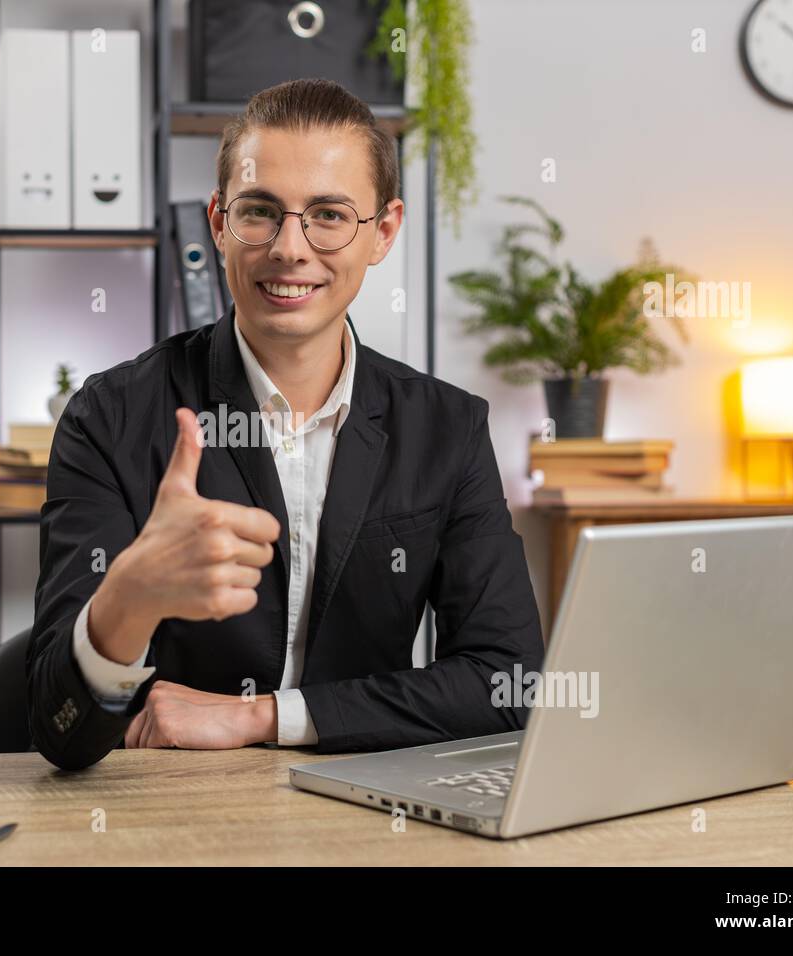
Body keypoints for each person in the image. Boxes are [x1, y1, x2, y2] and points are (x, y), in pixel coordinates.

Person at [27, 77, 543, 770]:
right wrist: (127, 597)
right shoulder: (110, 416)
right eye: (260, 212)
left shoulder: (447, 428)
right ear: (217, 222)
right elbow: (60, 733)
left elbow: (509, 685)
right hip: (168, 813)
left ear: (382, 232)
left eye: (328, 215)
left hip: (367, 813)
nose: (289, 248)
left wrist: (262, 718)